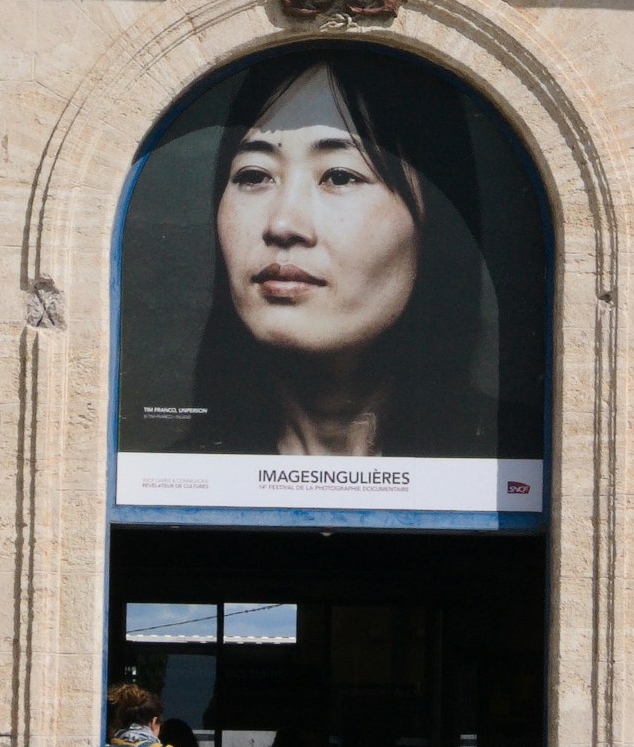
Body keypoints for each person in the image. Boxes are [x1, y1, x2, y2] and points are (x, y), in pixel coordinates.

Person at [190, 55, 495, 466]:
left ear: (435, 223)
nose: (283, 224)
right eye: (254, 175)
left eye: (339, 176)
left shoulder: (505, 462)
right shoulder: (175, 475)